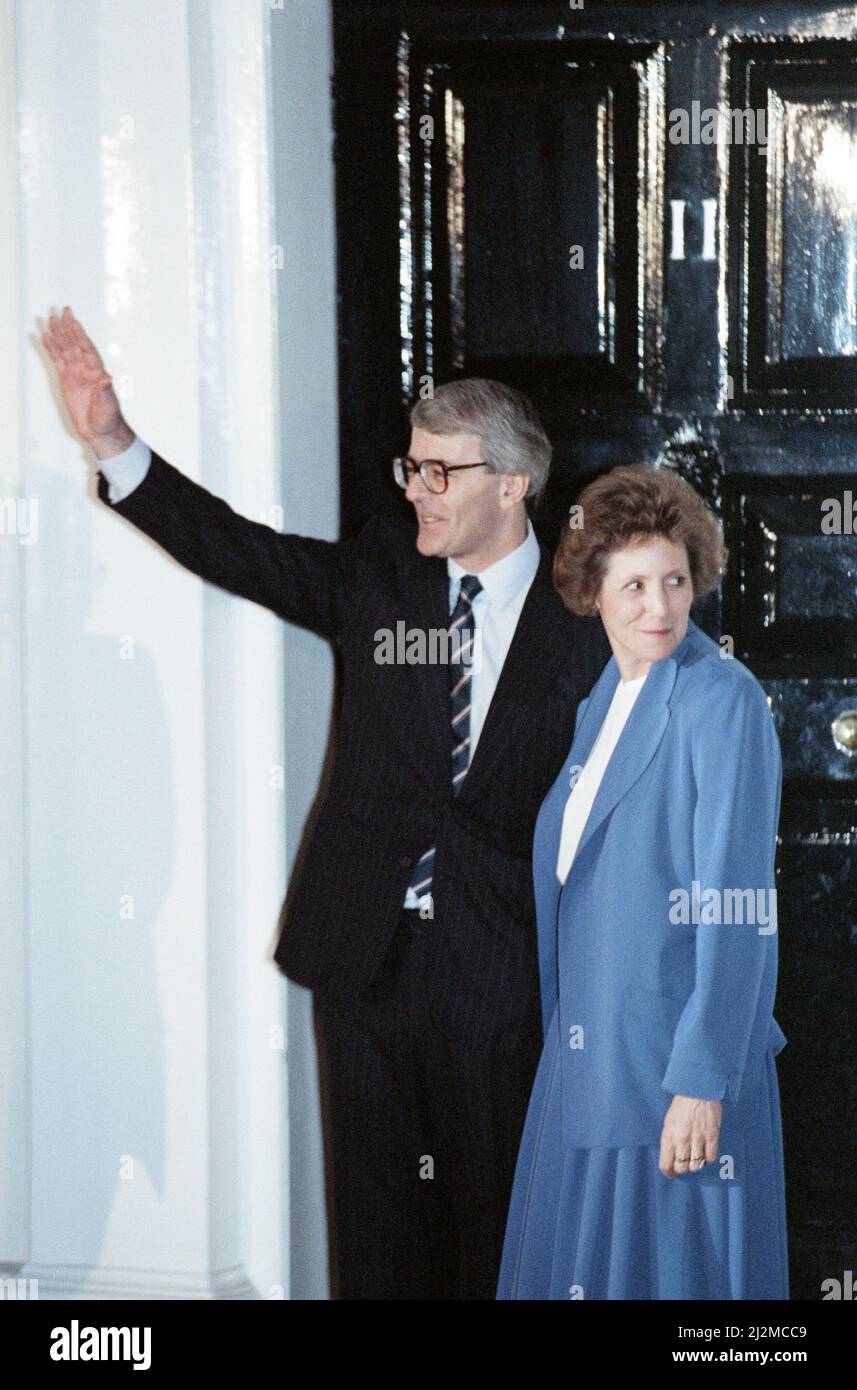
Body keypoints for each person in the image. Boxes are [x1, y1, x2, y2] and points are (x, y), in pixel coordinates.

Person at [41, 306, 611, 1300]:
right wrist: (113, 443)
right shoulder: (380, 575)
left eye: (443, 472)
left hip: (501, 969)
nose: (417, 489)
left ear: (511, 485)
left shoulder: (584, 620)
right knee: (376, 1234)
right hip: (363, 956)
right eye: (410, 467)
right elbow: (236, 550)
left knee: (499, 1231)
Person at [497, 463, 789, 1301]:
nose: (658, 608)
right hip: (591, 1060)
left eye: (673, 580)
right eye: (633, 585)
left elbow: (737, 907)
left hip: (670, 1075)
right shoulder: (606, 696)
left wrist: (701, 1082)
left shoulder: (720, 699)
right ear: (591, 589)